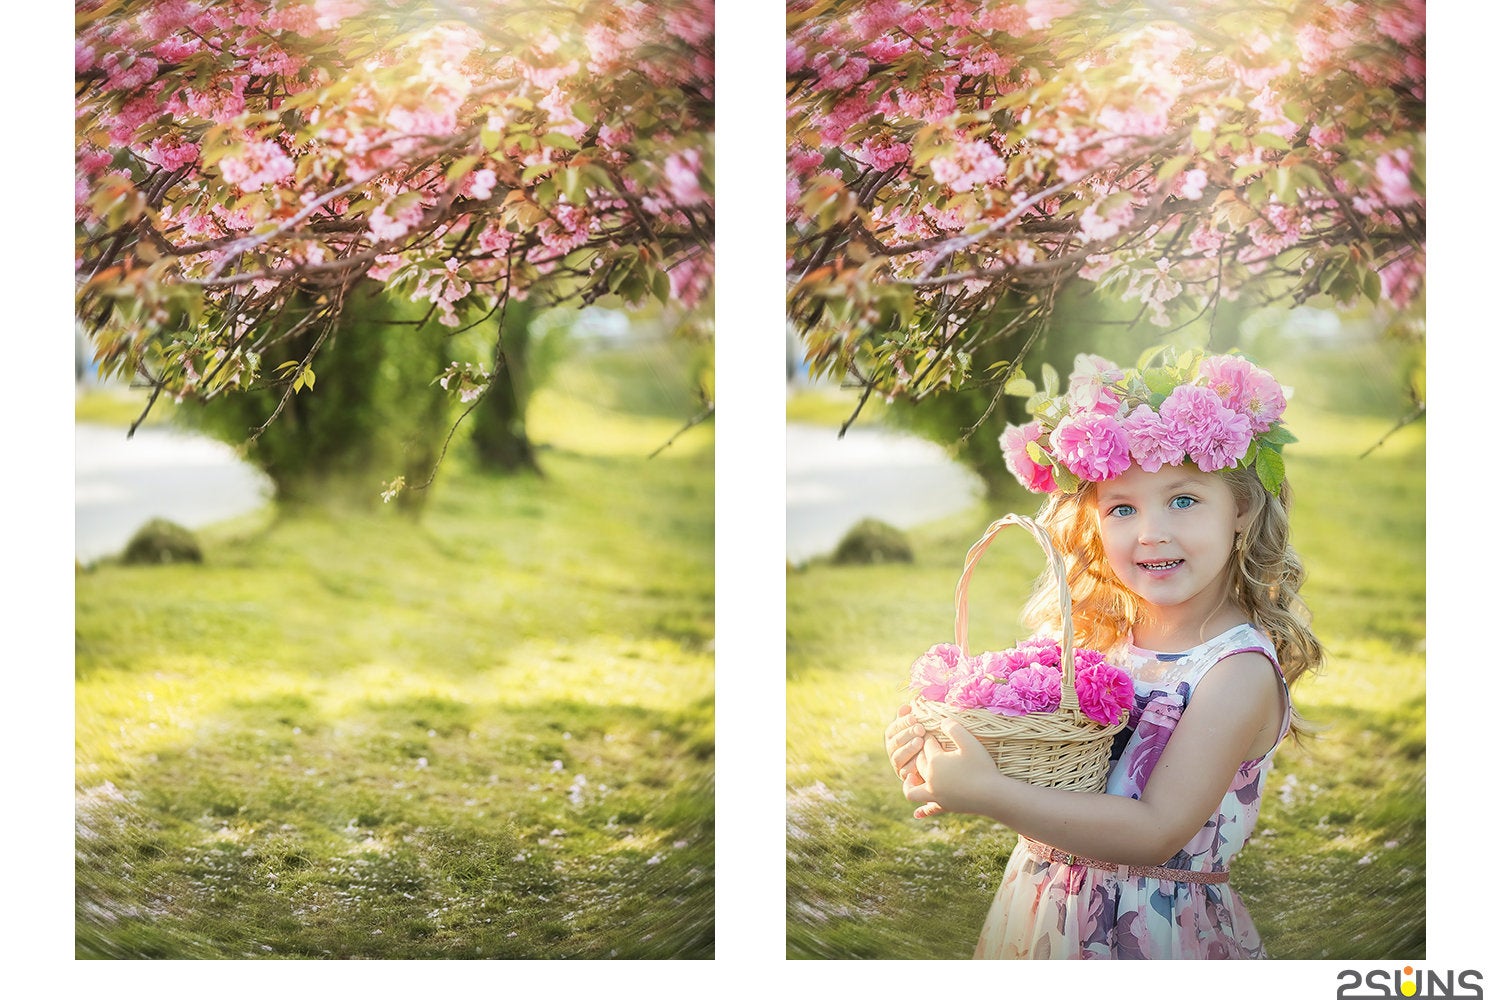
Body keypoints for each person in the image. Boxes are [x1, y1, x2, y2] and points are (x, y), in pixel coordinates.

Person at [884, 347, 1322, 959]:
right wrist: (943, 758)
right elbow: (1033, 762)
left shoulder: (1235, 671)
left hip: (1152, 931)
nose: (1152, 532)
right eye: (1122, 508)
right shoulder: (1095, 640)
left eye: (1185, 499)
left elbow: (1154, 832)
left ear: (1242, 510)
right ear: (1093, 523)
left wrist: (986, 794)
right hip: (1040, 916)